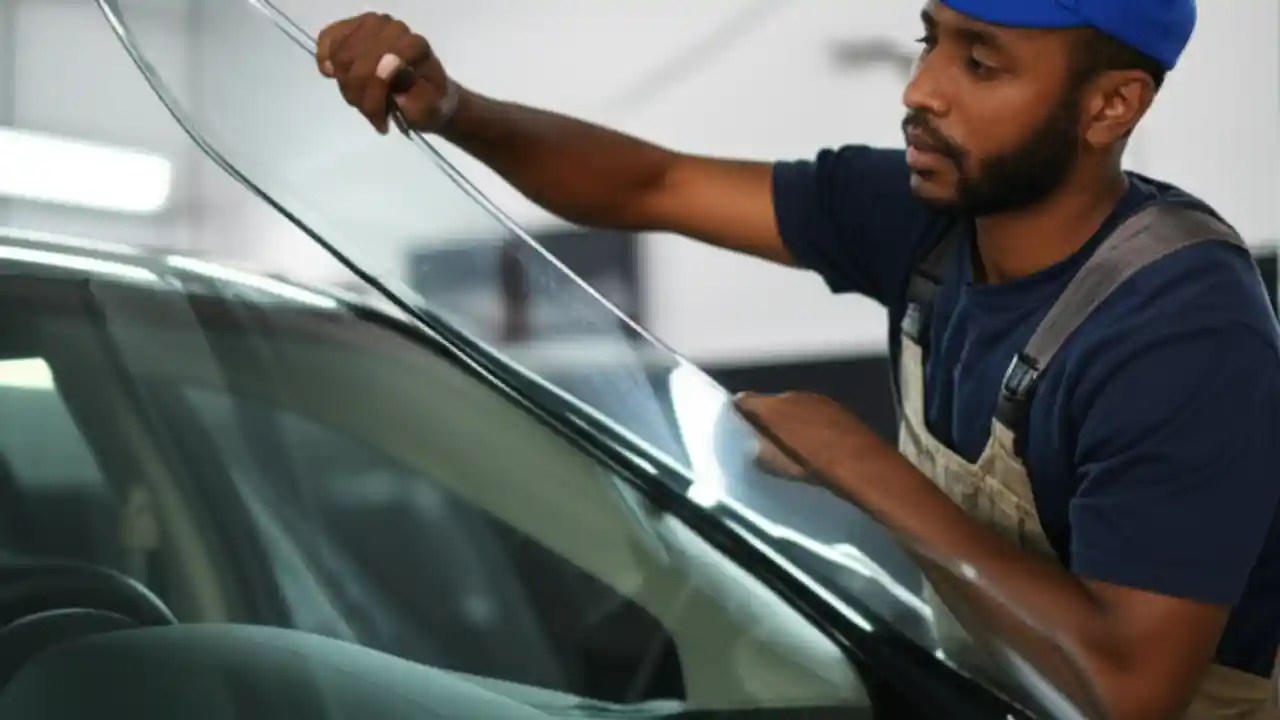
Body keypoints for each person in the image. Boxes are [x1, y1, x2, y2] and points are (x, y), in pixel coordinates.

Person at [315, 1, 1280, 716]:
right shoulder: (922, 217)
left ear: (1111, 105)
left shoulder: (1181, 332)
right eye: (929, 39)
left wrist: (867, 472)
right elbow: (654, 181)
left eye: (981, 63)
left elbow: (1129, 693)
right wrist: (457, 111)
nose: (920, 90)